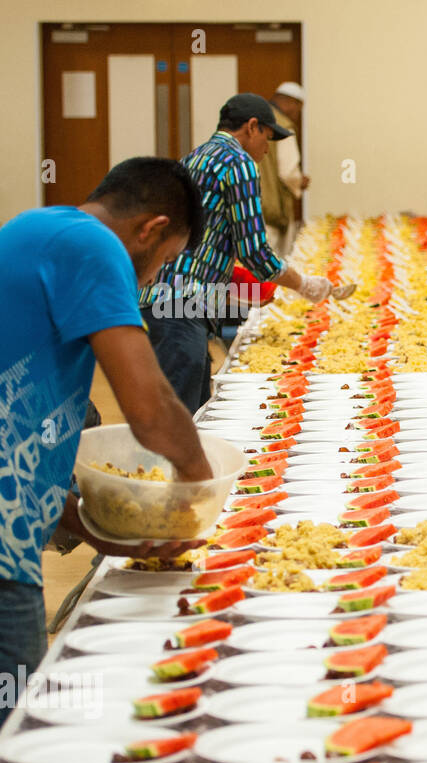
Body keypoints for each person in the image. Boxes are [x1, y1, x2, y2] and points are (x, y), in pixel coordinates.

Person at [0, 157, 215, 727]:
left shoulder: (39, 228)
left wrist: (98, 530)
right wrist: (198, 484)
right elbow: (149, 409)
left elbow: (23, 439)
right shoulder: (95, 248)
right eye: (164, 260)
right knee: (23, 734)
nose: (151, 281)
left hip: (14, 517)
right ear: (149, 228)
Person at [140, 93, 333, 413]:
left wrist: (241, 286)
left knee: (190, 409)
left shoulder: (196, 156)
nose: (267, 149)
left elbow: (209, 241)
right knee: (179, 419)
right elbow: (254, 250)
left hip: (165, 299)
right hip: (183, 304)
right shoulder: (239, 163)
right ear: (252, 127)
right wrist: (303, 284)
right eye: (268, 139)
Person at [259, 81, 311, 257]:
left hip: (251, 205)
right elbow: (288, 171)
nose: (297, 115)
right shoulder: (282, 126)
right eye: (298, 108)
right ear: (291, 103)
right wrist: (299, 181)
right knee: (272, 263)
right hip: (271, 210)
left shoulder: (257, 121)